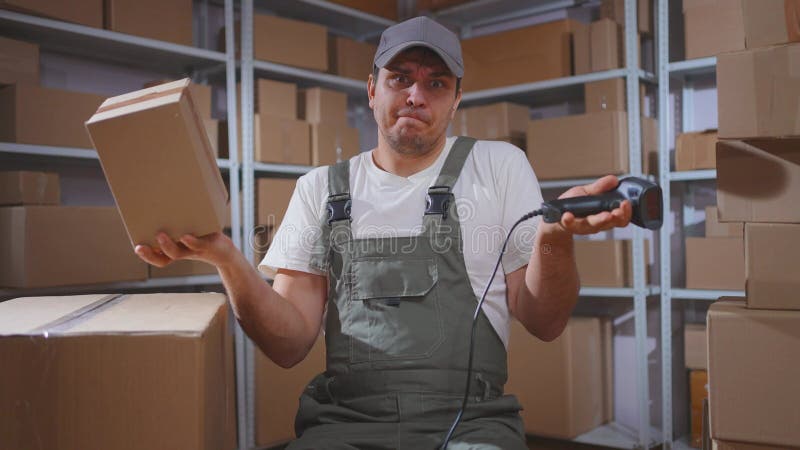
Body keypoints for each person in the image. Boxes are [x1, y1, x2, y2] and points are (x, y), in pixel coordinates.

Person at [135, 16, 633, 450]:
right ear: (372, 88)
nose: (416, 95)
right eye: (400, 79)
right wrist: (227, 259)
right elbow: (288, 344)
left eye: (436, 83)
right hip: (343, 425)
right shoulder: (319, 190)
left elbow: (544, 321)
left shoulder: (499, 166)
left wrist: (555, 234)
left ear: (456, 99)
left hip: (472, 426)